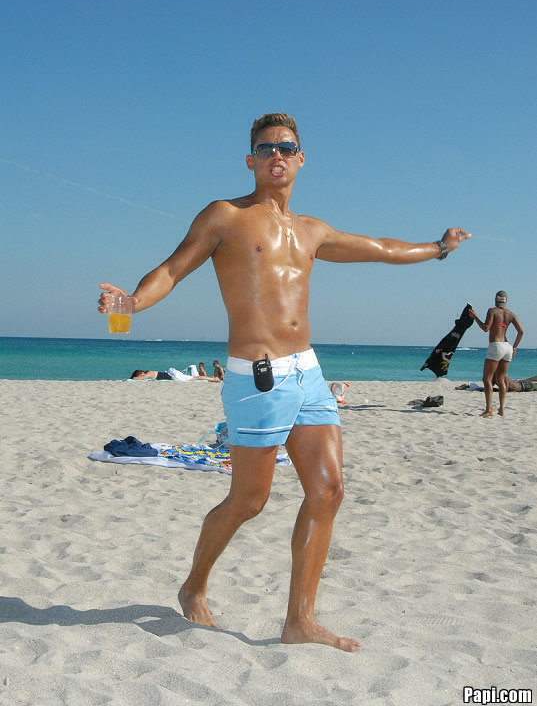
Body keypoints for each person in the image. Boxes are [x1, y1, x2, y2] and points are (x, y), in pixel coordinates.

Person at [98, 112, 470, 652]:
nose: (276, 154)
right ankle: (193, 584)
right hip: (258, 380)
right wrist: (133, 303)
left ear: (300, 159)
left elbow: (380, 249)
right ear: (250, 160)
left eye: (286, 146)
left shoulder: (312, 231)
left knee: (328, 490)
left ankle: (300, 621)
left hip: (310, 374)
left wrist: (437, 248)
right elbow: (172, 269)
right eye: (265, 146)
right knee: (249, 500)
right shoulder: (224, 217)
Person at [469, 291, 524, 417]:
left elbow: (485, 328)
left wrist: (475, 317)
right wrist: (515, 347)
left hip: (496, 346)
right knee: (501, 379)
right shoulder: (511, 314)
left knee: (487, 379)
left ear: (495, 299)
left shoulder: (492, 311)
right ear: (505, 301)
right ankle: (502, 409)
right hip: (507, 347)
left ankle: (489, 409)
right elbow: (521, 331)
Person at [130, 369, 220, 382]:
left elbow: (135, 379)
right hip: (171, 374)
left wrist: (134, 378)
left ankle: (214, 379)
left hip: (173, 376)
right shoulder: (150, 372)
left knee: (195, 378)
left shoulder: (148, 374)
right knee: (195, 377)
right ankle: (212, 379)